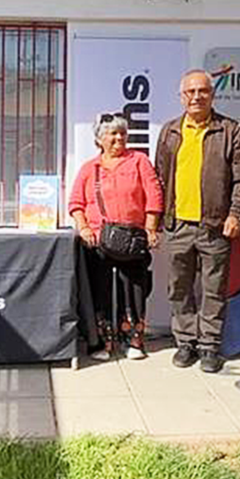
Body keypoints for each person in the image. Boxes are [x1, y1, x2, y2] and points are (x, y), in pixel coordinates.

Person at [154, 70, 240, 373]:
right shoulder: (170, 131)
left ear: (212, 94)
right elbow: (160, 175)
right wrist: (158, 220)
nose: (196, 97)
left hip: (215, 226)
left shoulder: (230, 130)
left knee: (213, 288)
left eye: (202, 91)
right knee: (179, 288)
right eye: (190, 92)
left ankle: (210, 345)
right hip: (178, 225)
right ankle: (185, 342)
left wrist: (236, 214)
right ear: (181, 96)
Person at [69, 112, 164, 361]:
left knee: (134, 289)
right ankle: (102, 342)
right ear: (100, 139)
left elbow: (154, 196)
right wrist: (85, 228)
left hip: (133, 239)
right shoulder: (90, 168)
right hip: (98, 240)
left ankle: (133, 340)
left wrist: (151, 228)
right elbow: (76, 202)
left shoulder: (139, 161)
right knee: (100, 291)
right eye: (113, 133)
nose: (119, 138)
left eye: (122, 133)